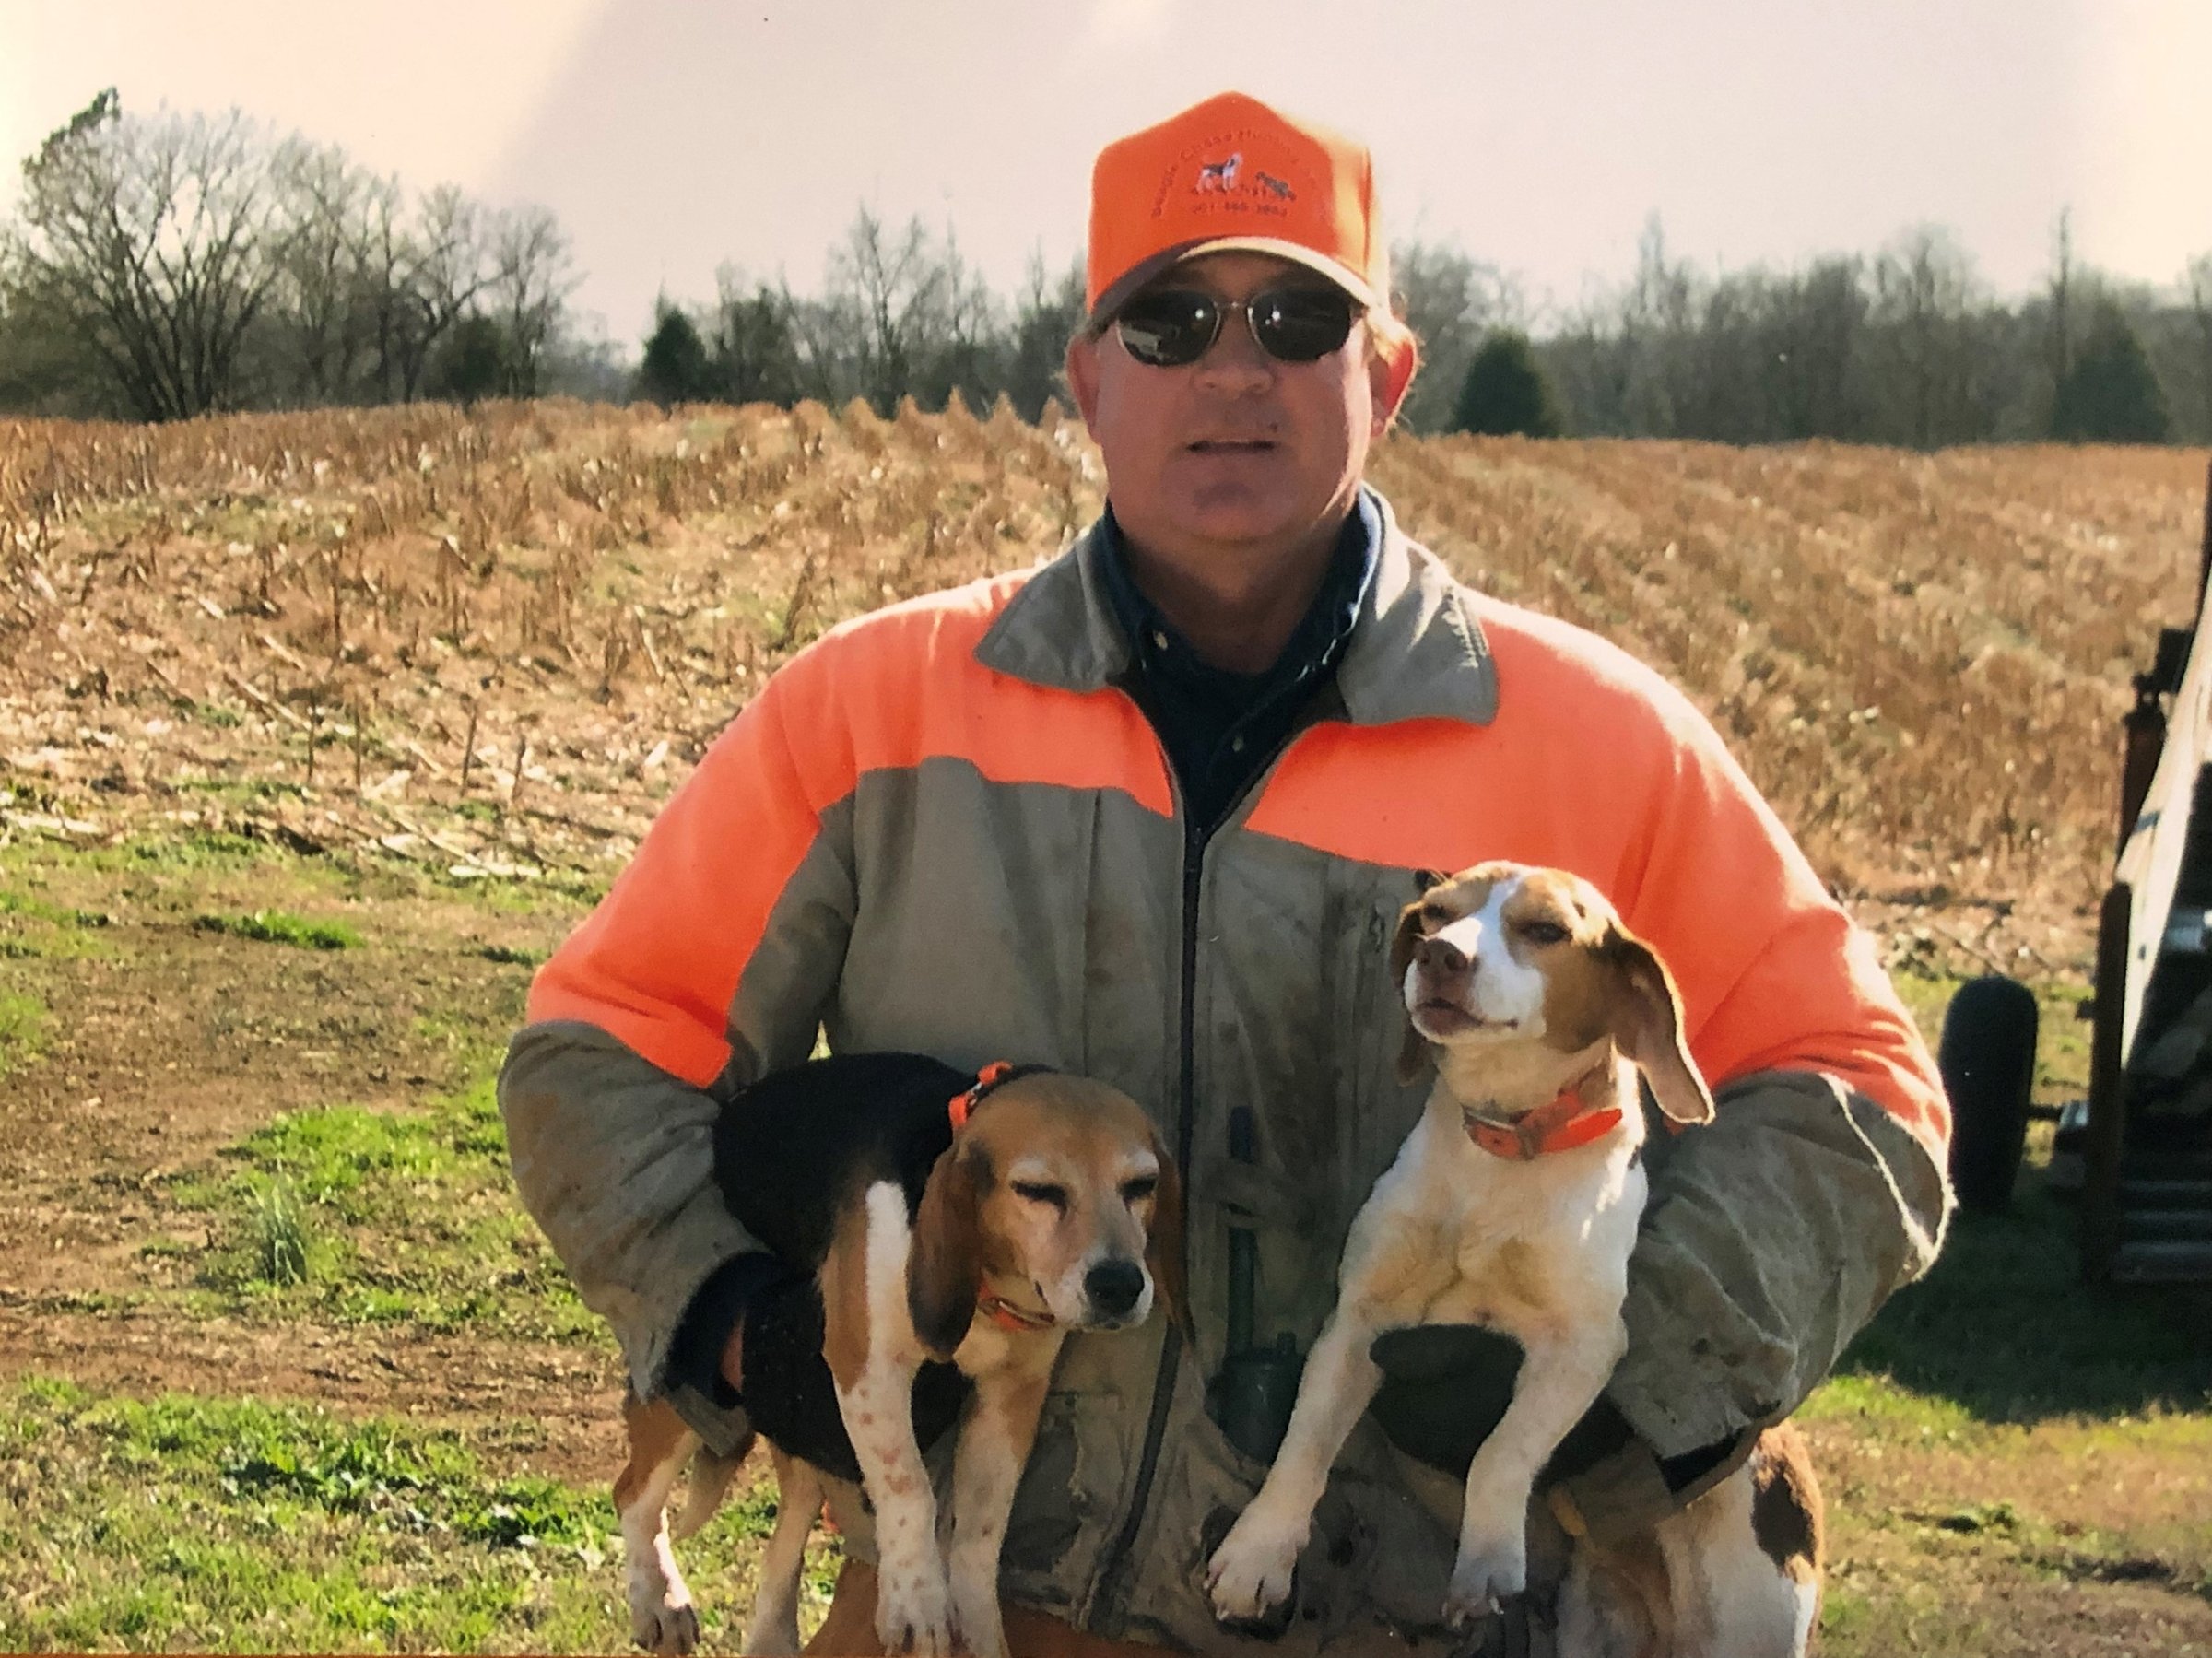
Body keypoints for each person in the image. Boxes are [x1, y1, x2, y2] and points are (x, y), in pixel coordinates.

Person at [500, 90, 1951, 1656]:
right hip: (973, 1606)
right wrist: (728, 1332)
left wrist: (1628, 1381)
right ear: (1087, 381)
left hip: (1411, 1623)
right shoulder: (872, 712)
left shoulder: (1603, 743)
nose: (1235, 367)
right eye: (1171, 316)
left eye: (1297, 315)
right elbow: (597, 1056)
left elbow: (1860, 1092)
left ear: (1383, 375)